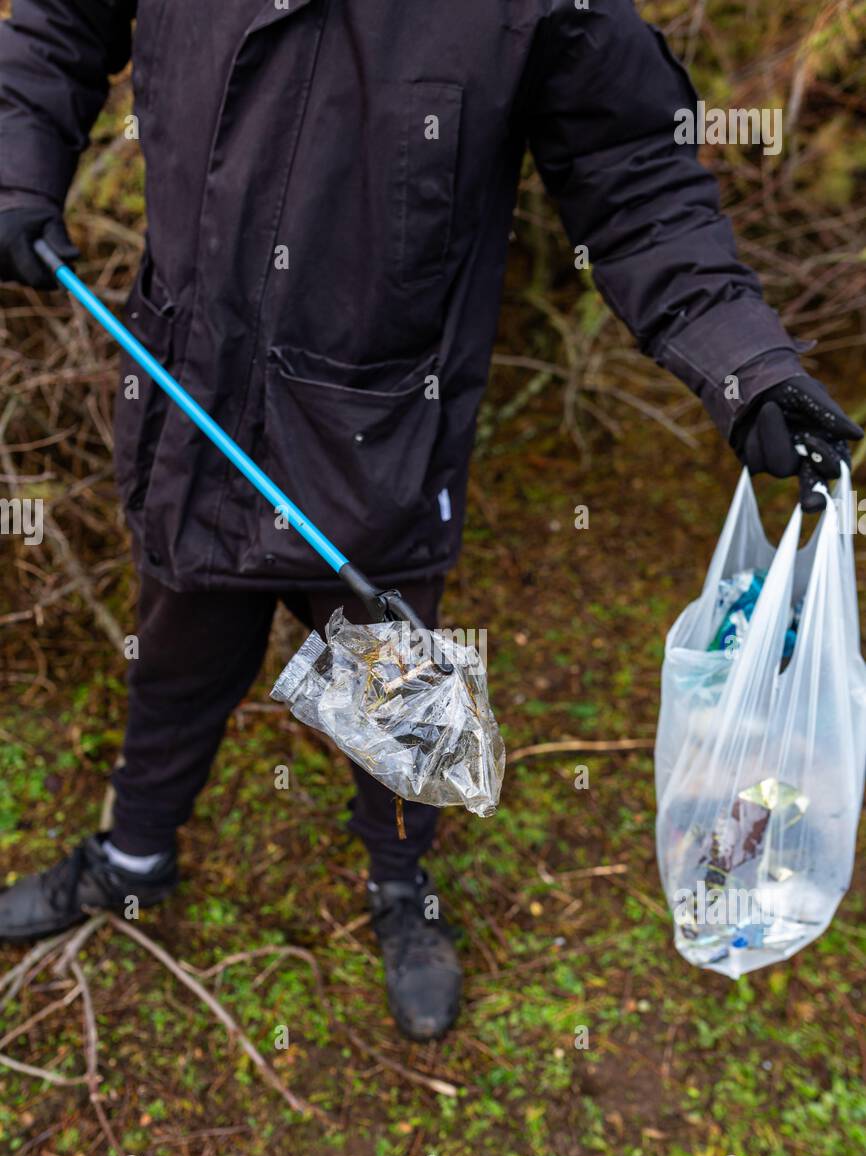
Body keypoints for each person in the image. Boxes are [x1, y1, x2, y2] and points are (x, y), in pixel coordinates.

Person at [0, 0, 860, 1039]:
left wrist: (747, 369)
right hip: (195, 404)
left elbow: (635, 176)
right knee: (175, 653)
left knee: (392, 682)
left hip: (382, 441)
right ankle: (133, 856)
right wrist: (16, 161)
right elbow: (56, 25)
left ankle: (404, 890)